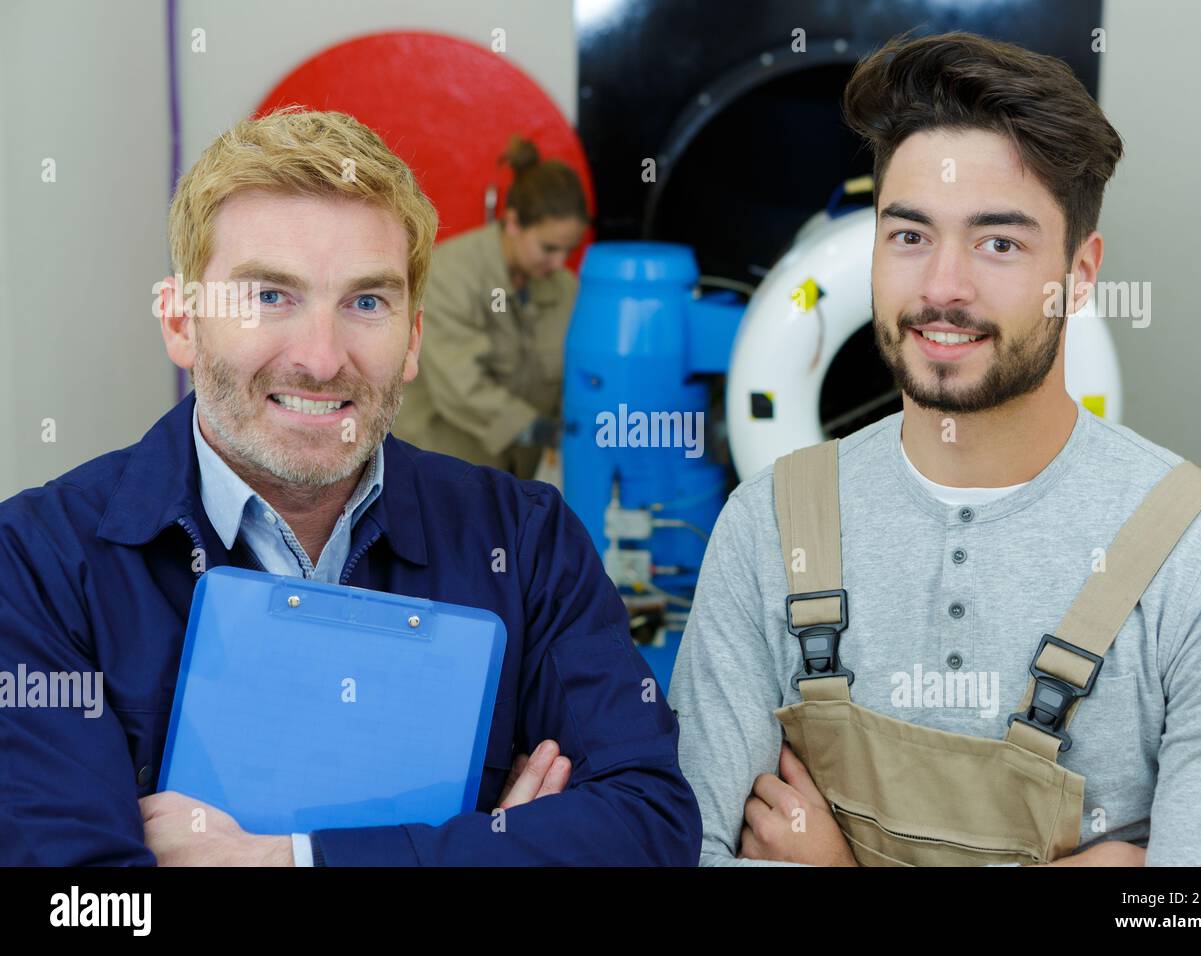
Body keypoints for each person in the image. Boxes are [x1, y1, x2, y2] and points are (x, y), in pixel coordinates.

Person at [0, 108, 700, 866]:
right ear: (181, 323)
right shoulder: (37, 565)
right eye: (269, 296)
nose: (321, 358)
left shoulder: (526, 542)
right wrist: (487, 849)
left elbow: (650, 826)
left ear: (413, 340)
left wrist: (290, 859)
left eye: (367, 302)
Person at [669, 31, 1201, 867]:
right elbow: (691, 853)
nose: (942, 287)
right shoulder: (766, 530)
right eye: (910, 235)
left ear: (1080, 274)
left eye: (999, 242)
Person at [392, 135, 588, 479]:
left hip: (512, 475)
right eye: (548, 248)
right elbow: (461, 387)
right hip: (439, 470)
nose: (559, 263)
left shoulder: (564, 288)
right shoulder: (449, 275)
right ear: (513, 222)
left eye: (568, 251)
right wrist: (539, 428)